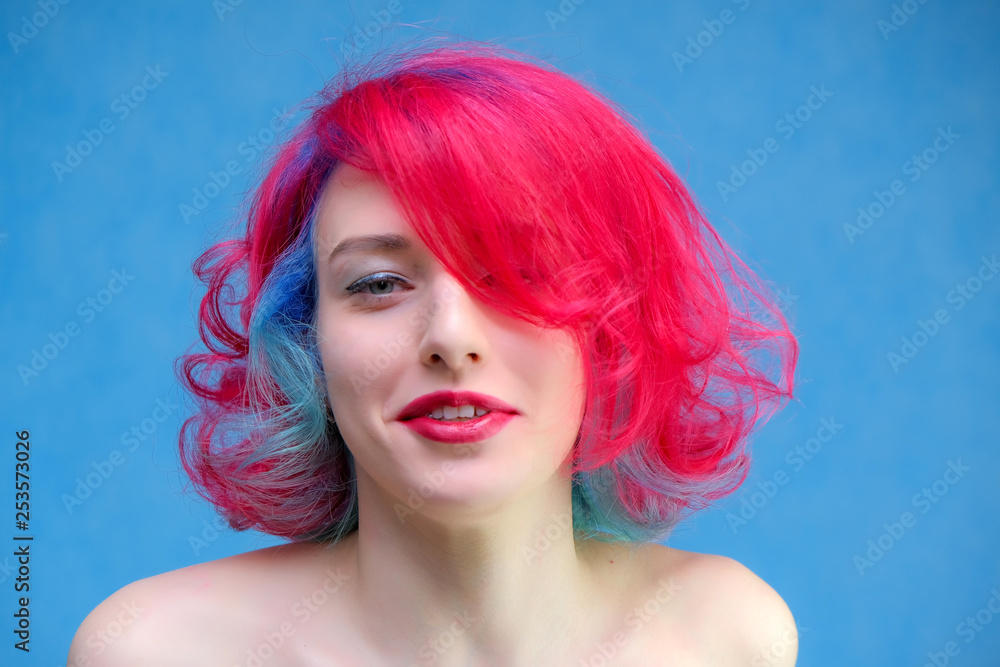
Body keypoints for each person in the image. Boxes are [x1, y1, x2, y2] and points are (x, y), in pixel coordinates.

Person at [69, 41, 799, 666]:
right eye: (378, 284)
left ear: (614, 333)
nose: (451, 338)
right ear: (304, 341)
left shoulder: (726, 635)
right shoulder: (155, 648)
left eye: (518, 275)